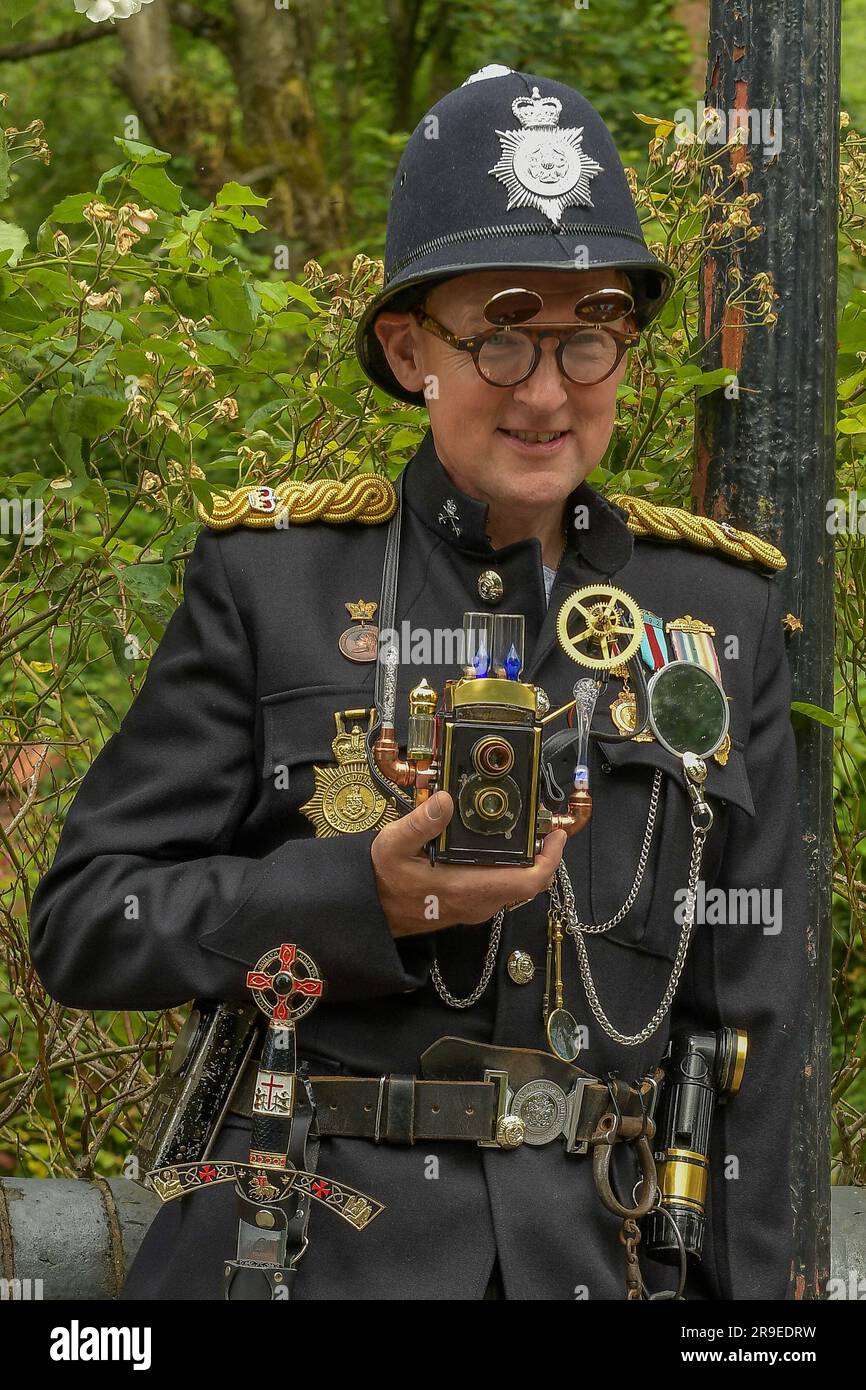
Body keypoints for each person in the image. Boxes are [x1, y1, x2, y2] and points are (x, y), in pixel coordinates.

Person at [29, 66, 809, 1301]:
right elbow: (82, 926)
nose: (547, 388)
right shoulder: (270, 582)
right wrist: (352, 900)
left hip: (592, 1262)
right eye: (499, 332)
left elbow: (749, 1031)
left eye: (589, 329)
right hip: (295, 1253)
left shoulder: (715, 613)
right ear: (409, 348)